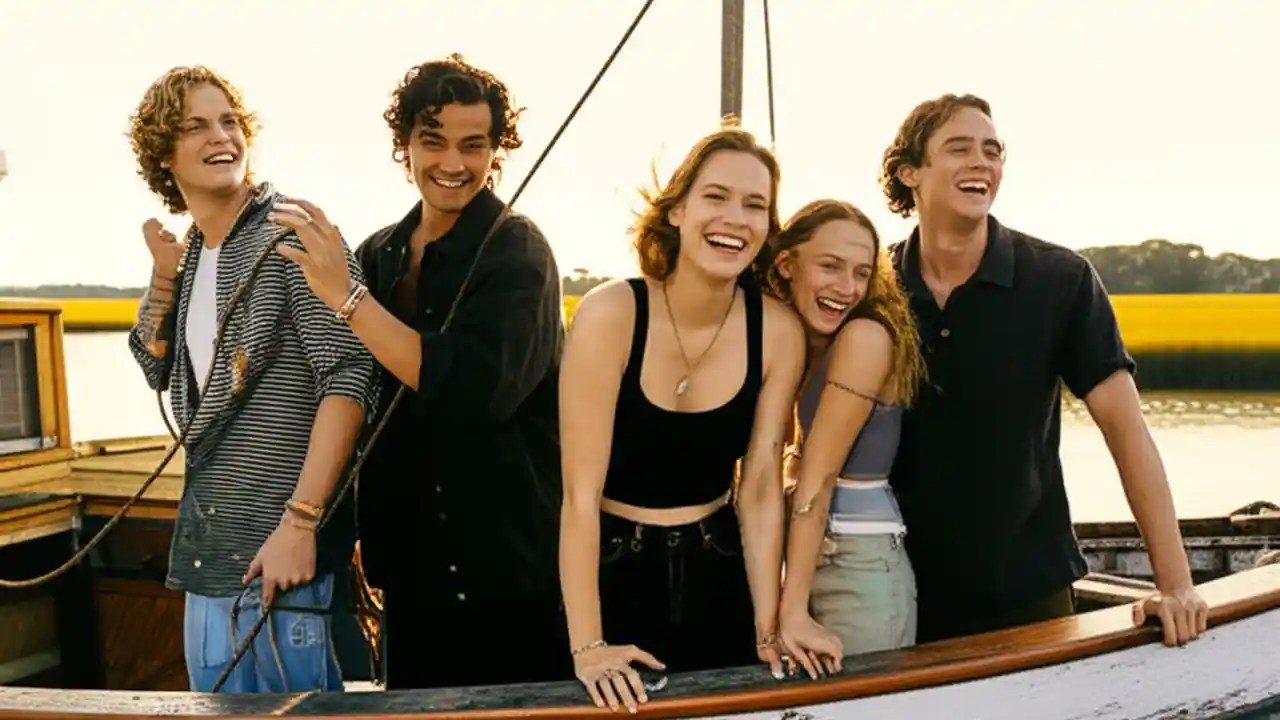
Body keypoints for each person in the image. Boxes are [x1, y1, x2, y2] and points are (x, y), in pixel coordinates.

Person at [268, 54, 569, 690]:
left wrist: (347, 299)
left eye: (473, 145)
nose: (453, 165)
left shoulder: (519, 250)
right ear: (404, 146)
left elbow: (472, 393)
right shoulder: (378, 252)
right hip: (409, 577)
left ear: (496, 149)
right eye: (433, 143)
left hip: (506, 577)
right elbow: (350, 390)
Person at [880, 93, 1209, 647]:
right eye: (958, 148)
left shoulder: (1060, 281)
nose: (980, 163)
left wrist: (1176, 585)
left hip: (1029, 591)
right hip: (895, 591)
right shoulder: (877, 287)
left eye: (992, 150)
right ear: (910, 171)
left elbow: (1127, 434)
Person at [125, 65, 378, 693]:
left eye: (229, 122)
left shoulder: (289, 233)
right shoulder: (191, 255)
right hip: (208, 558)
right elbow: (153, 361)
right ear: (164, 155)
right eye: (196, 126)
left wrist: (301, 523)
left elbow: (351, 376)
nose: (222, 137)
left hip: (282, 563)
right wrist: (163, 277)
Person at [558, 123, 804, 713]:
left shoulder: (776, 330)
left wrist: (768, 627)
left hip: (718, 569)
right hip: (610, 569)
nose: (735, 219)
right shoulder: (612, 313)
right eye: (715, 197)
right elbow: (578, 495)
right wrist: (588, 645)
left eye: (755, 205)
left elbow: (763, 491)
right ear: (676, 212)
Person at [759, 200, 927, 678]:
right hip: (807, 567)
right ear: (787, 265)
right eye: (830, 266)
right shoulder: (793, 338)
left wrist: (790, 613)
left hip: (860, 573)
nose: (846, 288)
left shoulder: (865, 337)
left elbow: (819, 477)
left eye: (860, 273)